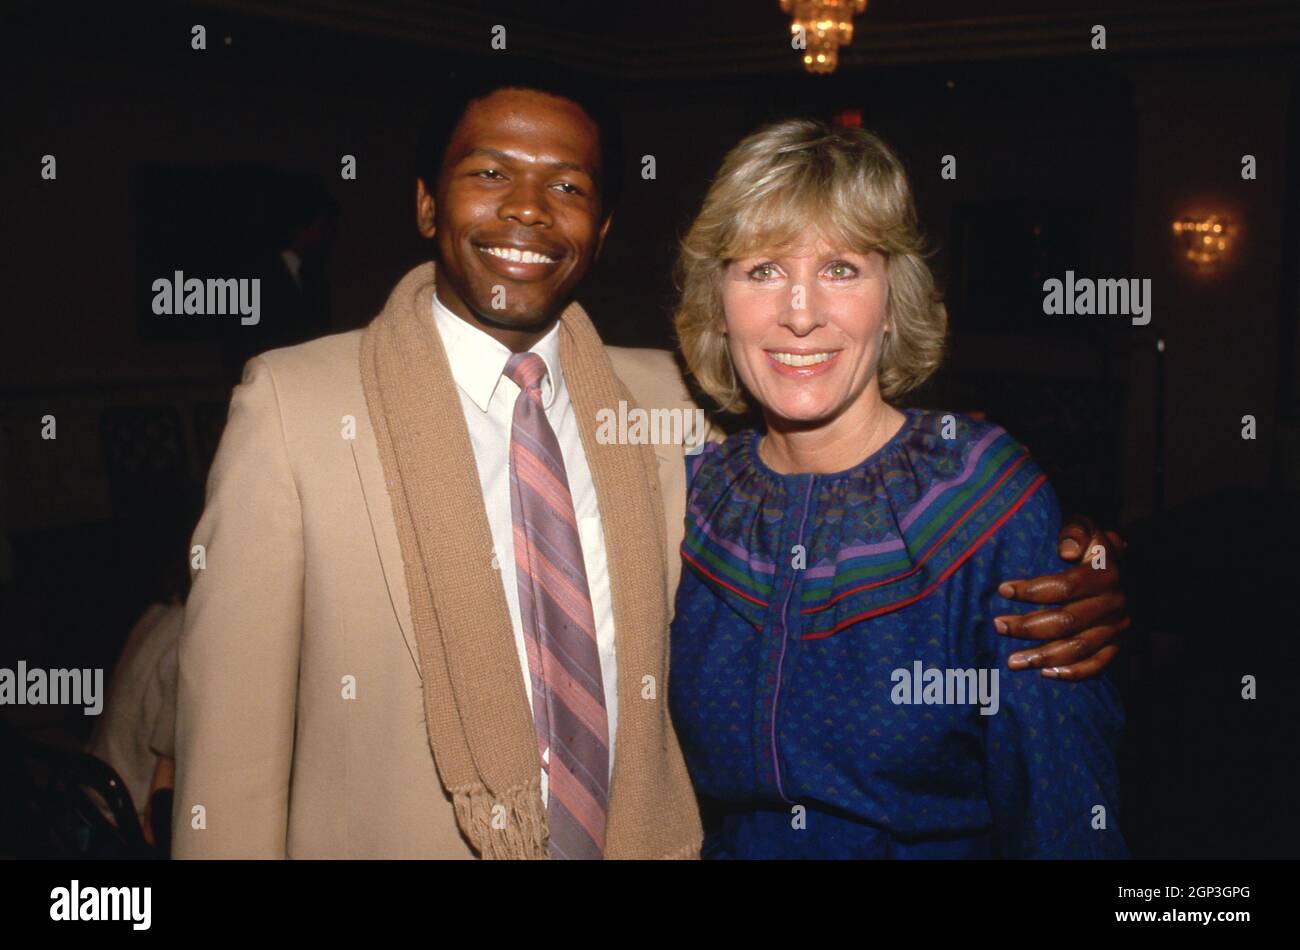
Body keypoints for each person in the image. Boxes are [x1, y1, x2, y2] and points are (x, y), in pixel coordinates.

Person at [173, 66, 1129, 859]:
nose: (528, 212)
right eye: (490, 173)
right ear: (426, 202)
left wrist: (1083, 563)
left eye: (569, 186)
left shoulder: (666, 414)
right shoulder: (296, 408)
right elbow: (230, 765)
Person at [668, 119, 1128, 858]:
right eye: (762, 269)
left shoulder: (985, 498)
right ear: (718, 306)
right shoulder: (688, 497)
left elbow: (1064, 813)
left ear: (892, 302)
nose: (800, 312)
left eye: (841, 269)